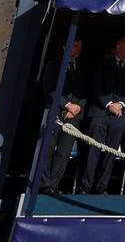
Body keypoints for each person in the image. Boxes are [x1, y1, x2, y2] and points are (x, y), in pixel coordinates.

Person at [79, 36, 125, 194]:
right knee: (93, 150)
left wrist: (121, 104)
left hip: (120, 115)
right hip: (100, 113)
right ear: (118, 46)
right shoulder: (102, 64)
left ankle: (102, 187)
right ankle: (85, 186)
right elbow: (95, 86)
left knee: (111, 153)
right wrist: (109, 104)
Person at [37, 38, 84, 192]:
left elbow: (84, 91)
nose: (78, 49)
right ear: (65, 46)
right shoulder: (54, 65)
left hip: (73, 116)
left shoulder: (82, 68)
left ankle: (53, 184)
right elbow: (49, 88)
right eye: (75, 46)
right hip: (55, 111)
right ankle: (44, 184)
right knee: (48, 148)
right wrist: (68, 105)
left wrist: (76, 108)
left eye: (79, 47)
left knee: (64, 153)